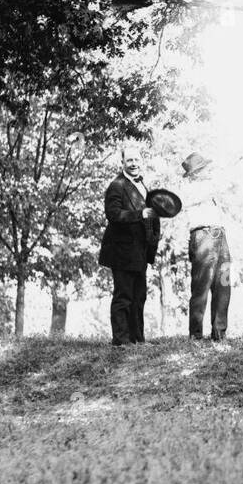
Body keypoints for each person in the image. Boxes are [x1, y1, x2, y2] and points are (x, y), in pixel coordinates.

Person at [97, 145, 161, 346]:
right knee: (123, 296)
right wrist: (139, 214)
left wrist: (152, 242)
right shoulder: (116, 185)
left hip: (139, 252)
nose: (134, 164)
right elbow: (113, 214)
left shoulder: (143, 186)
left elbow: (151, 217)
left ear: (142, 161)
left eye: (137, 160)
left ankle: (138, 339)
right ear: (122, 163)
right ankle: (121, 341)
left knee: (139, 297)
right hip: (122, 250)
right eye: (129, 160)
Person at [181, 151, 233, 341]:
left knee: (224, 284)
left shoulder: (209, 189)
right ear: (194, 173)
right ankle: (196, 334)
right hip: (203, 236)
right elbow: (214, 188)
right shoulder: (190, 190)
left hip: (220, 236)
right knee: (201, 287)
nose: (207, 171)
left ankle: (219, 332)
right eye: (203, 168)